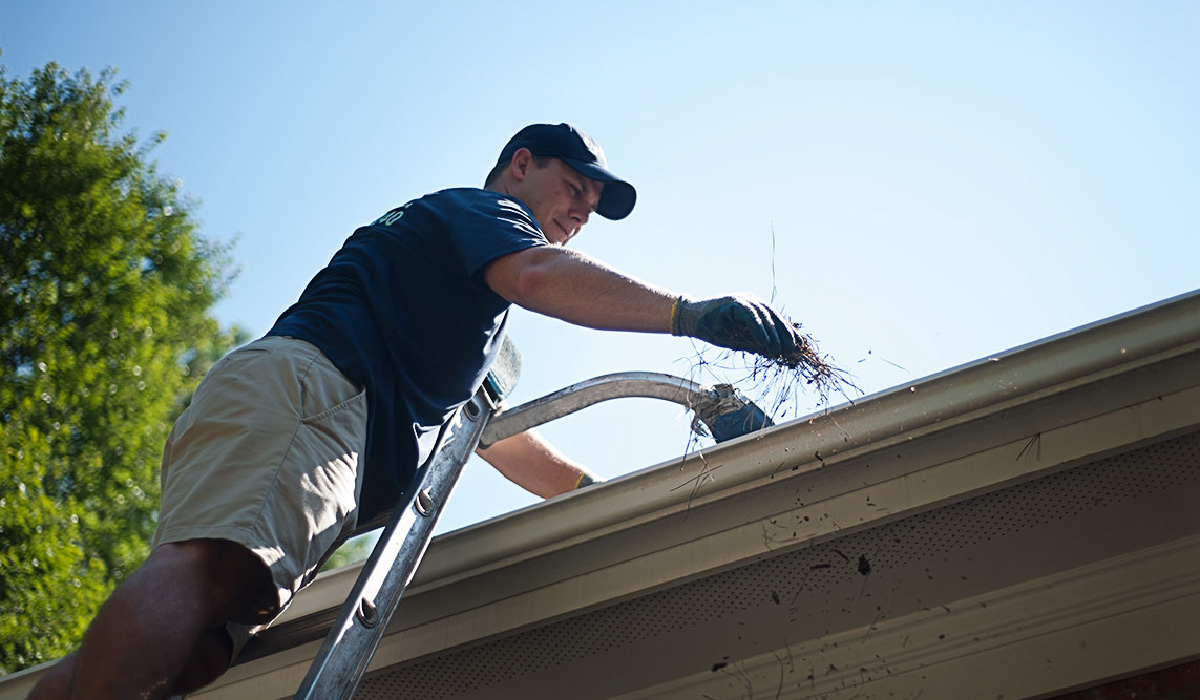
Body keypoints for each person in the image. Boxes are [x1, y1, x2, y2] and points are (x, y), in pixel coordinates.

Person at [29, 123, 808, 699]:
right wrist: (691, 314)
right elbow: (543, 275)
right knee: (212, 574)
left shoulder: (465, 321)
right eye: (574, 188)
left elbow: (496, 442)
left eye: (594, 206)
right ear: (521, 164)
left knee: (200, 646)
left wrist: (594, 502)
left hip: (309, 420)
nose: (581, 212)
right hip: (314, 398)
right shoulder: (480, 217)